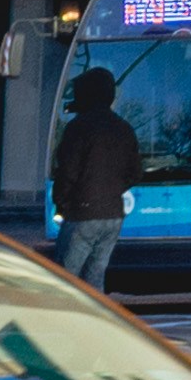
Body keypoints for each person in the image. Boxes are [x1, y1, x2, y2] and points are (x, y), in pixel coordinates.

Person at [48, 69, 140, 287]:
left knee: (65, 281)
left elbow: (67, 171)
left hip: (82, 212)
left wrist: (62, 202)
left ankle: (64, 320)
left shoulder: (78, 127)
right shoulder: (124, 128)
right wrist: (113, 188)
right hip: (113, 213)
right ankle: (94, 318)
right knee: (95, 278)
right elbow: (135, 173)